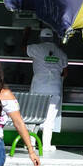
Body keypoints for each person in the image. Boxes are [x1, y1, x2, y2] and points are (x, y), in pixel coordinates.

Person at [25, 28, 66, 157]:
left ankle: (31, 144)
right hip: (55, 88)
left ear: (40, 38)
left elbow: (23, 49)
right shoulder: (61, 53)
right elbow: (65, 72)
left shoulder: (36, 48)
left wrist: (25, 34)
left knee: (34, 116)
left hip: (39, 88)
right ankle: (47, 145)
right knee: (50, 119)